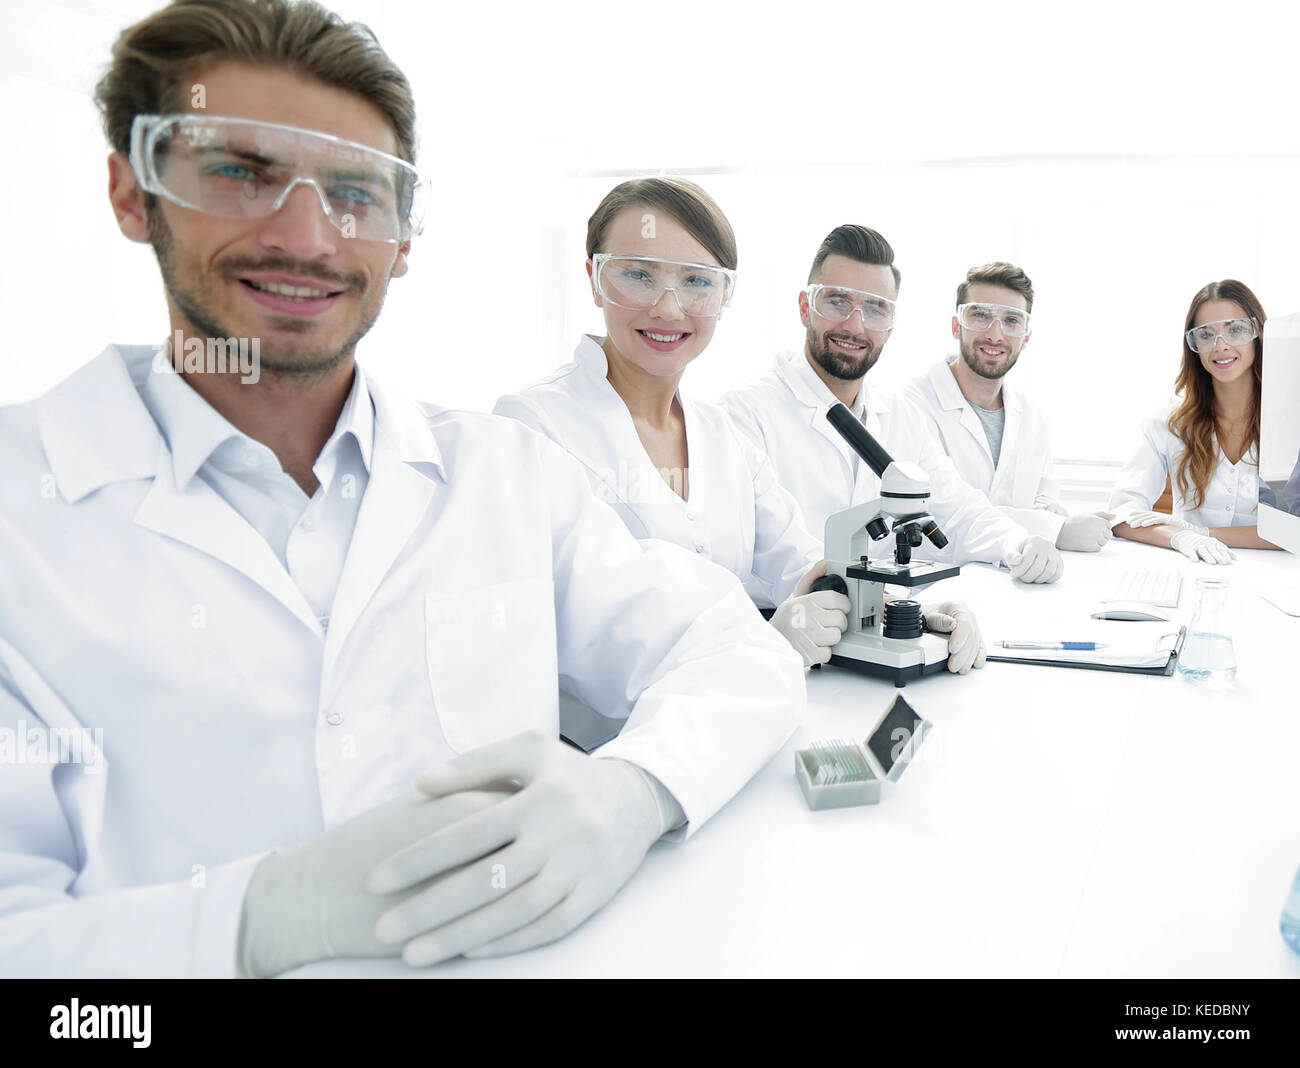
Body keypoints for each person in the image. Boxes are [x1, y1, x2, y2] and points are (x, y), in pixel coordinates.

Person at [0, 0, 805, 979]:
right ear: (133, 193)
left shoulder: (500, 474)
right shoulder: (22, 509)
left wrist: (634, 789)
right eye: (240, 172)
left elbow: (732, 652)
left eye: (355, 191)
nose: (306, 236)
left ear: (405, 236)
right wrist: (259, 920)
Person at [494, 181, 985, 673]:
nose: (668, 308)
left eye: (697, 280)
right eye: (638, 275)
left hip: (737, 719)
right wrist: (761, 644)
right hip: (603, 744)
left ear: (724, 293)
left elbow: (802, 563)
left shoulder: (720, 435)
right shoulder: (530, 428)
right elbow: (556, 632)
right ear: (594, 279)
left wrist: (902, 611)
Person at [720, 225, 1065, 584]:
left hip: (876, 616)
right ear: (806, 308)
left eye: (875, 309)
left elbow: (958, 509)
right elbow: (776, 548)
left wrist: (1018, 543)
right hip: (788, 622)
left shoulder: (899, 416)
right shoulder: (744, 414)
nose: (855, 325)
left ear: (891, 325)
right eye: (838, 301)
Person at [899, 262, 1111, 553]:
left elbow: (1040, 500)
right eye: (981, 316)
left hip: (1016, 578)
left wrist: (1060, 516)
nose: (995, 335)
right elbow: (942, 513)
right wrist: (1055, 530)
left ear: (1026, 336)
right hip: (940, 585)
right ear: (955, 325)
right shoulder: (912, 407)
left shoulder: (1033, 417)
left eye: (1011, 320)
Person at [1109, 279, 1282, 560]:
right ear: (1193, 345)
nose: (1220, 345)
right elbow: (1122, 512)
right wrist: (1180, 538)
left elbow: (1293, 531)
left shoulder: (1289, 423)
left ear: (1258, 334)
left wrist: (1201, 534)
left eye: (1235, 329)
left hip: (1277, 584)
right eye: (1205, 334)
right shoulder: (1169, 421)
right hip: (1194, 574)